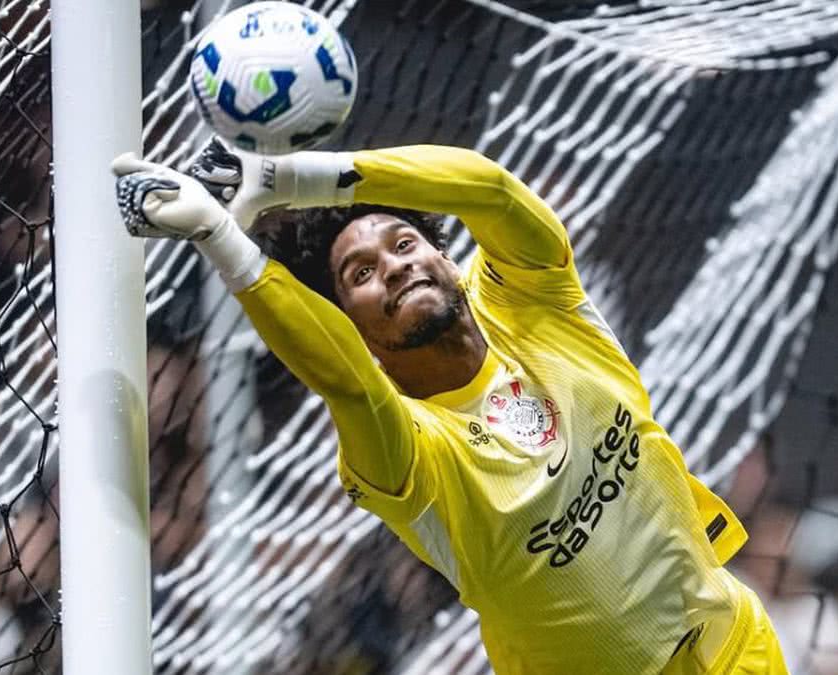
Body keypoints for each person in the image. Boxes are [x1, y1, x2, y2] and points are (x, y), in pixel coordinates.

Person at [111, 140, 788, 674]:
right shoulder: (411, 450)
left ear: (443, 254)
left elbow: (491, 190)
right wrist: (223, 240)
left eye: (403, 244)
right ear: (356, 329)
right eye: (361, 274)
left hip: (738, 645)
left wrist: (303, 177)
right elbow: (348, 385)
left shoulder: (534, 304)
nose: (394, 266)